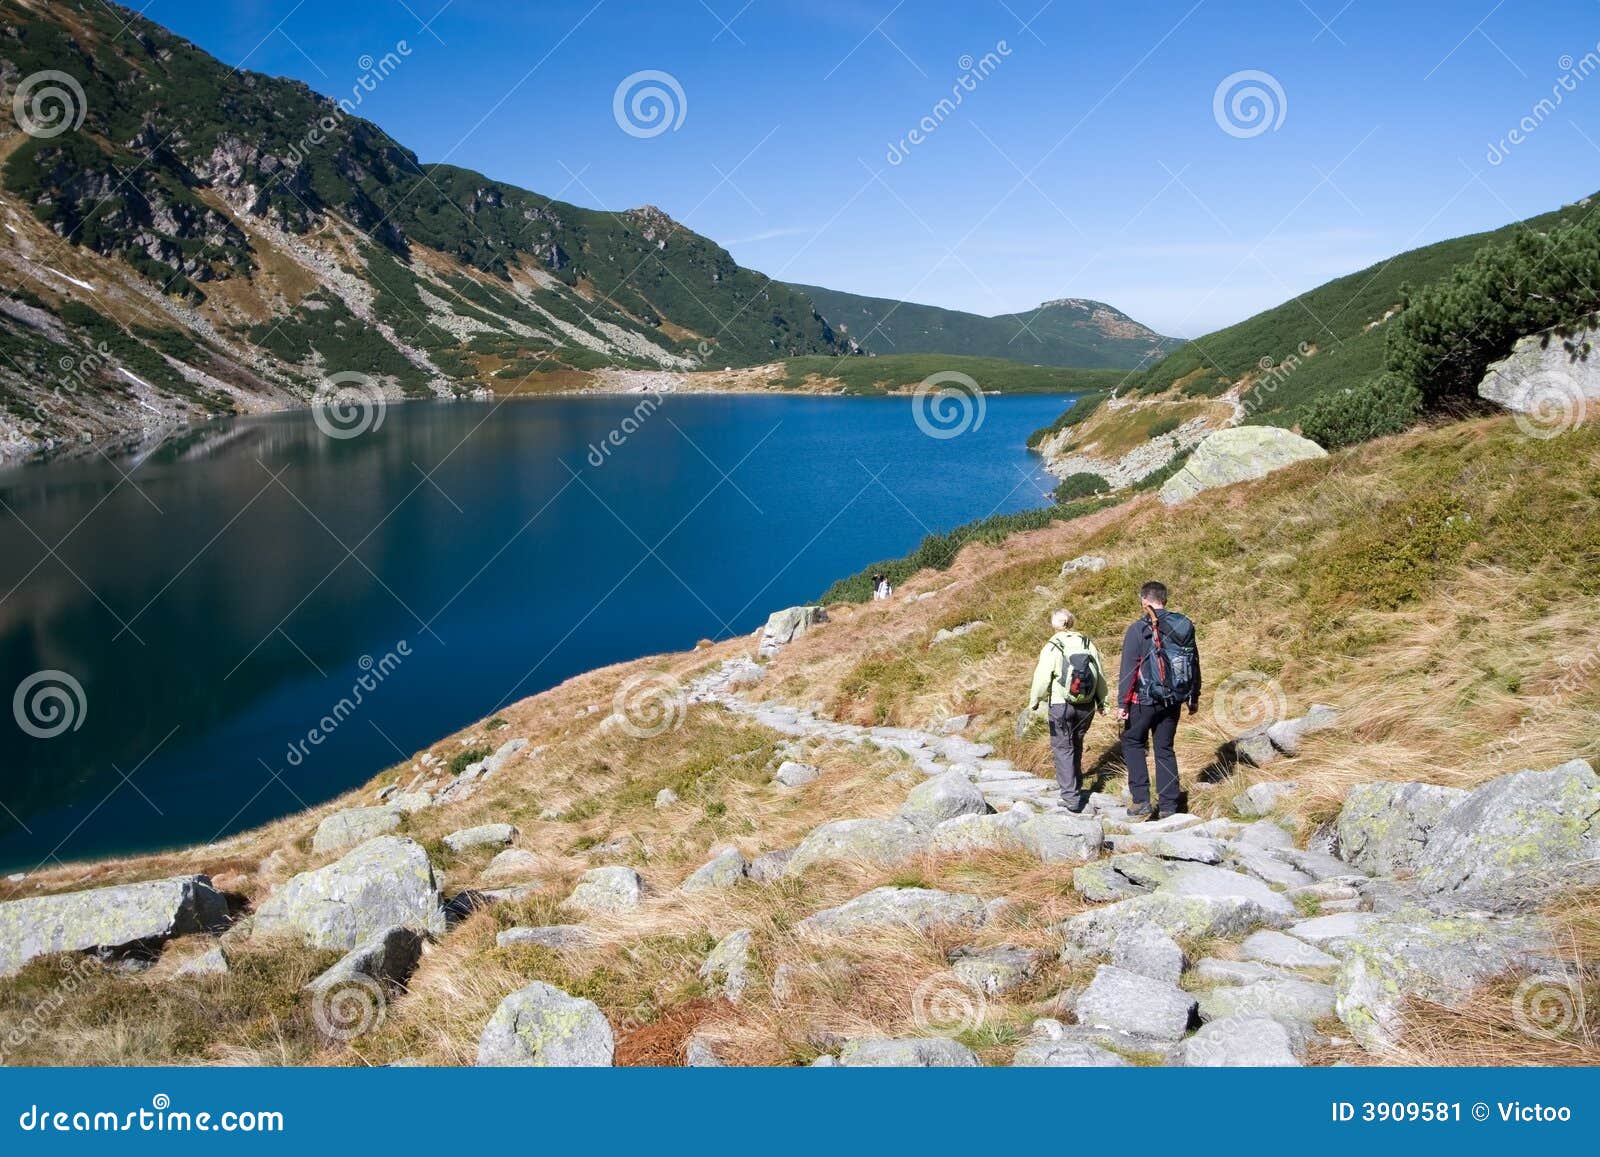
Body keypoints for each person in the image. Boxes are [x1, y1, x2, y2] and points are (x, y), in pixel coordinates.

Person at [1116, 580, 1201, 821]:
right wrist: (1194, 696)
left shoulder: (1138, 629)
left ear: (1145, 600)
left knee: (1133, 742)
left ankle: (1141, 801)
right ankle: (1169, 806)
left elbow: (1129, 669)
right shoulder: (1182, 625)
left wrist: (1122, 703)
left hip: (1143, 700)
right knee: (1164, 748)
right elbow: (1194, 661)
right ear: (1164, 599)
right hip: (1173, 699)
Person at [1028, 608, 1108, 813]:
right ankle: (1076, 787)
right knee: (1077, 744)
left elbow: (1042, 677)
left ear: (1054, 624)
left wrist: (1034, 701)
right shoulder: (1087, 643)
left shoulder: (1053, 645)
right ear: (1071, 622)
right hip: (1086, 705)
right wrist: (1103, 703)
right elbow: (1099, 674)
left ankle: (1070, 797)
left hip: (1060, 705)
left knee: (1063, 747)